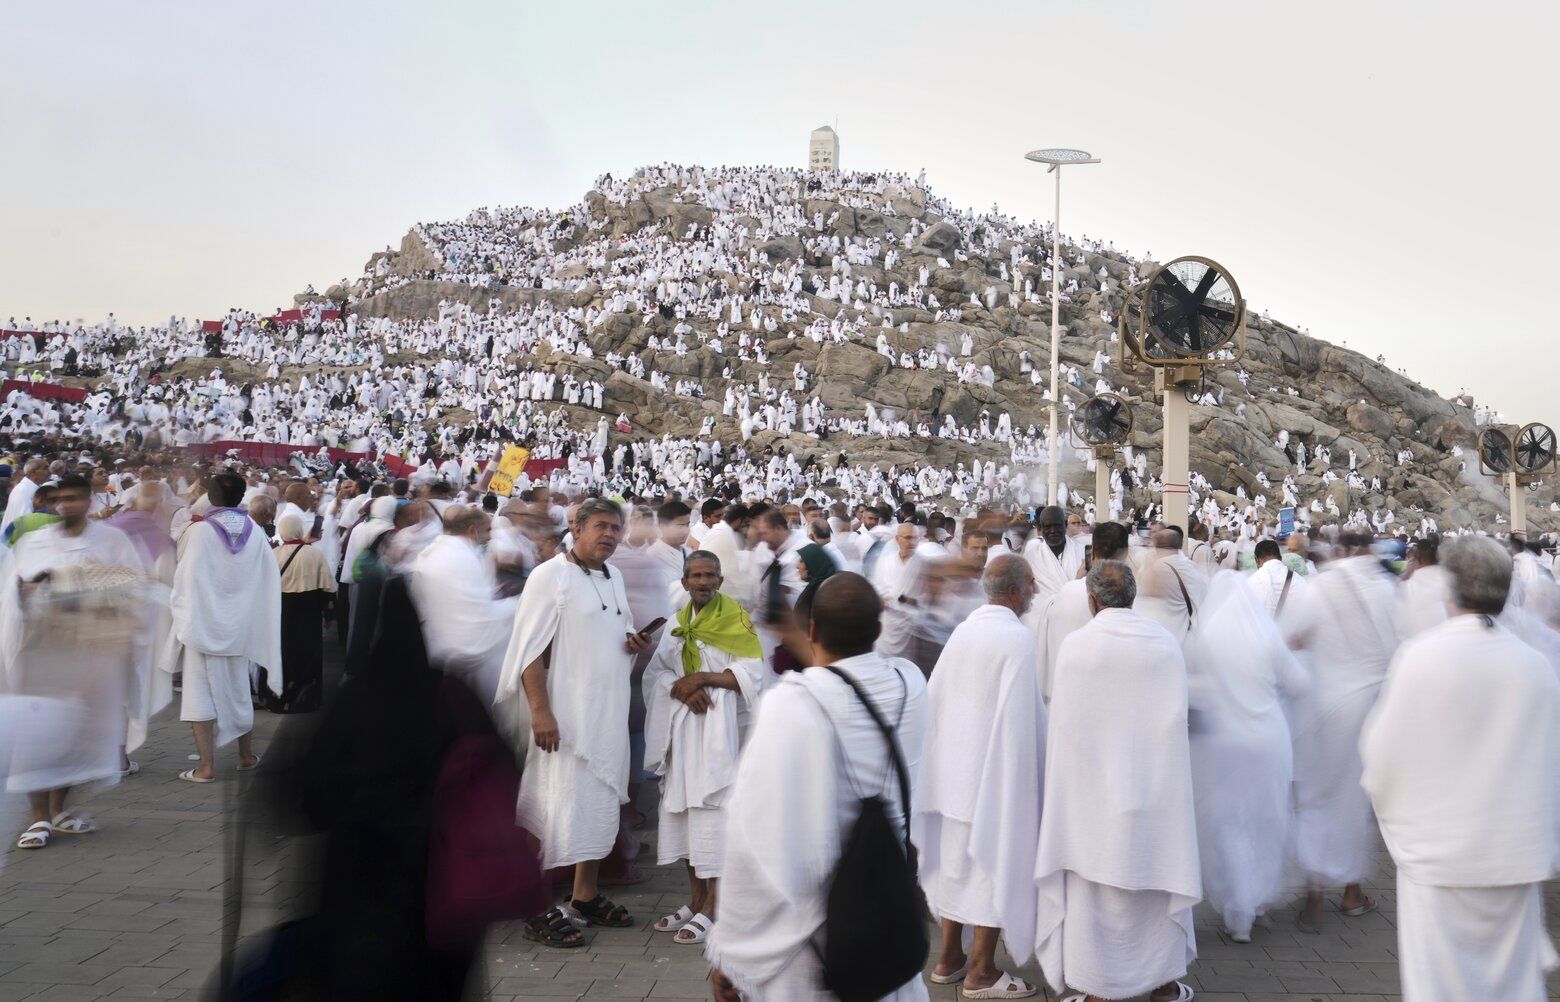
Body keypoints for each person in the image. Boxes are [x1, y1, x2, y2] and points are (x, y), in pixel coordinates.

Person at [707, 572, 929, 1001]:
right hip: (887, 918)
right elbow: (848, 679)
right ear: (880, 631)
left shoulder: (791, 703)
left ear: (811, 631)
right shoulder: (910, 685)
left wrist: (734, 953)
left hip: (811, 941)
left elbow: (752, 837)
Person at [1361, 536, 1560, 1000]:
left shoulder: (1421, 657)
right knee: (1511, 983)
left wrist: (1404, 829)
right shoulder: (1534, 666)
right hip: (1514, 856)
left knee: (1442, 984)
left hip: (1438, 856)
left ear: (1450, 591)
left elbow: (1381, 758)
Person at [1033, 560, 1199, 1002]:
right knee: (1154, 879)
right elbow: (1172, 725)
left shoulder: (1077, 647)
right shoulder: (1164, 645)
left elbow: (1065, 730)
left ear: (1091, 601)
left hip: (1091, 800)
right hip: (1153, 794)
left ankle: (1099, 991)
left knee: (1094, 890)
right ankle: (1161, 984)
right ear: (1133, 597)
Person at [495, 498, 651, 947]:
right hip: (564, 716)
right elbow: (530, 651)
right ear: (577, 528)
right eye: (601, 526)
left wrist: (632, 643)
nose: (609, 534)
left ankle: (585, 895)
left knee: (597, 802)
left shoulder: (615, 576)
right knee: (550, 807)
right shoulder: (550, 576)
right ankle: (536, 905)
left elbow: (609, 634)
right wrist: (541, 711)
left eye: (616, 528)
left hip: (606, 712)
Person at [915, 554, 1043, 998]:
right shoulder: (1017, 639)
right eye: (1032, 582)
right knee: (993, 868)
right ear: (1015, 588)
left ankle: (949, 959)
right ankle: (982, 972)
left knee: (956, 869)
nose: (1037, 591)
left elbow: (936, 700)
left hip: (952, 776)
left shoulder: (965, 629)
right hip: (991, 778)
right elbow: (1022, 722)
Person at [3, 474, 145, 849]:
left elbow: (130, 586)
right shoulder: (34, 542)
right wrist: (27, 593)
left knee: (72, 735)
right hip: (39, 651)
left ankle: (59, 807)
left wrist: (61, 582)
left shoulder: (111, 540)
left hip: (87, 653)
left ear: (89, 500)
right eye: (60, 499)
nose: (67, 505)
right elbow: (14, 594)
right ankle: (38, 817)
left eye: (75, 497)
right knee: (36, 734)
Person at [642, 551, 764, 946]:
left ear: (721, 580)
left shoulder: (737, 619)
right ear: (684, 582)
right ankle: (696, 900)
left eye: (710, 575)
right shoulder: (679, 622)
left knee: (715, 817)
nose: (703, 582)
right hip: (684, 733)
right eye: (696, 575)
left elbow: (753, 672)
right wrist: (679, 691)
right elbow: (658, 672)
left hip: (719, 737)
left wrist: (701, 679)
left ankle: (717, 906)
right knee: (687, 816)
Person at [1285, 531, 1397, 932]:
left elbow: (1293, 638)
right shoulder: (1385, 589)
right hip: (1369, 710)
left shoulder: (1322, 585)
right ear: (1369, 550)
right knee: (1356, 802)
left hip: (1322, 707)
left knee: (1315, 797)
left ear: (1343, 550)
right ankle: (1351, 894)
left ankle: (1314, 895)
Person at [1185, 573, 1306, 942]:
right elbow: (1300, 683)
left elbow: (1189, 685)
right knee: (1265, 820)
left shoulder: (1204, 635)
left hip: (1223, 746)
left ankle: (1238, 912)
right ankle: (1256, 901)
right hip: (1268, 742)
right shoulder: (1266, 633)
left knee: (1229, 824)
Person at [169, 472, 282, 783]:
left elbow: (184, 575)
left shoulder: (199, 531)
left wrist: (184, 612)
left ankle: (206, 766)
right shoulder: (256, 532)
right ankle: (245, 756)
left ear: (213, 496)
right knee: (238, 690)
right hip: (238, 627)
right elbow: (267, 579)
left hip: (203, 625)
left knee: (198, 695)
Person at [408, 506, 519, 704]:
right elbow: (479, 613)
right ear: (472, 531)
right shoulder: (462, 557)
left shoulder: (434, 550)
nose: (489, 537)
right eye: (487, 531)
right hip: (467, 649)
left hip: (438, 647)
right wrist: (518, 605)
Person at [1038, 521, 1128, 703]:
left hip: (1070, 694)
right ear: (1126, 553)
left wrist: (1074, 581)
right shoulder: (1134, 592)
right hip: (1114, 697)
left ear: (1093, 552)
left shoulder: (1068, 592)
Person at [268, 512, 336, 713]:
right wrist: (329, 616)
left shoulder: (273, 554)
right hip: (309, 611)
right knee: (308, 652)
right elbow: (327, 587)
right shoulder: (314, 554)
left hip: (282, 611)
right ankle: (306, 699)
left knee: (284, 653)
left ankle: (282, 698)